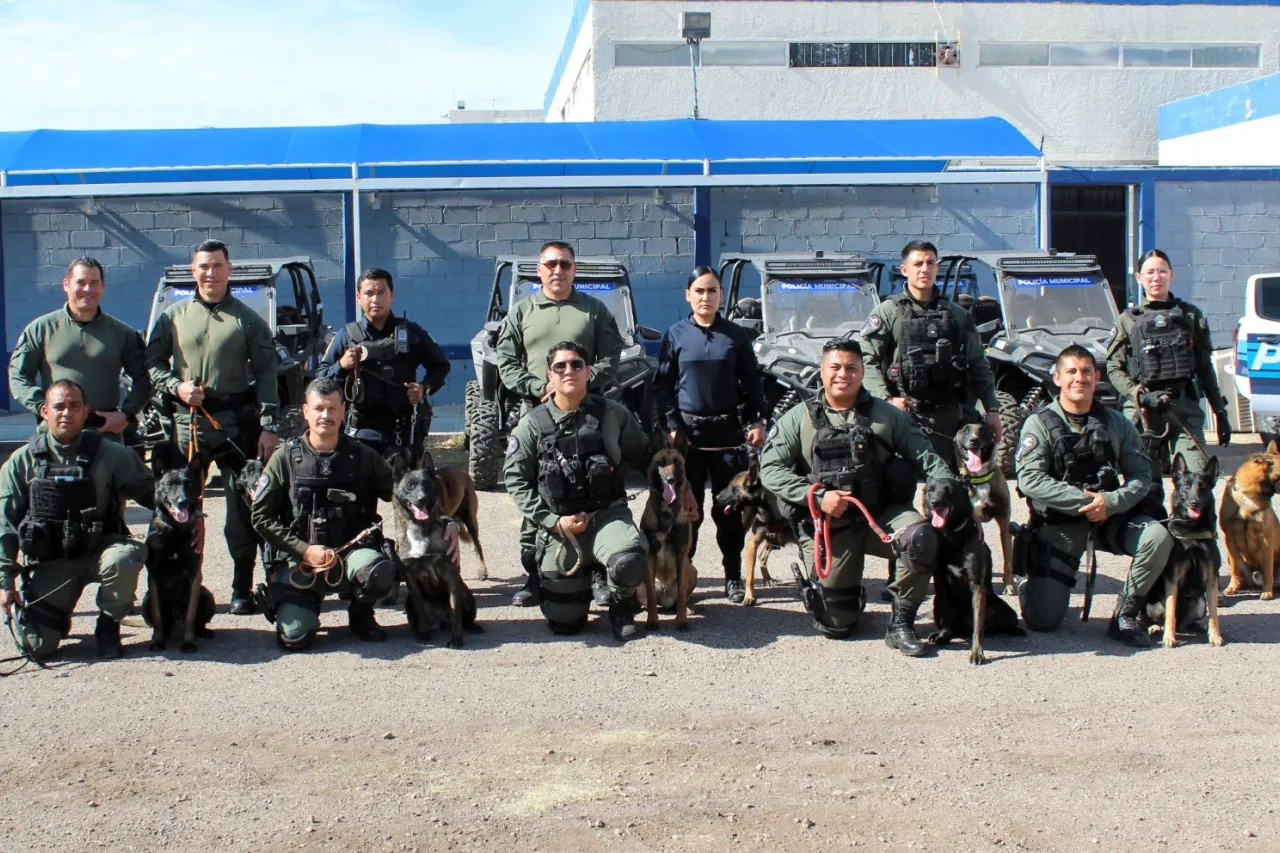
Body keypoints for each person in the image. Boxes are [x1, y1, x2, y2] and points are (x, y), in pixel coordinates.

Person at [759, 338, 951, 656]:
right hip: (829, 524)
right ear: (822, 371)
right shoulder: (797, 418)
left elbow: (927, 459)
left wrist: (954, 499)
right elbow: (771, 470)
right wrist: (816, 497)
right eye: (835, 367)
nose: (843, 374)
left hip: (882, 515)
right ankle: (843, 594)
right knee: (837, 625)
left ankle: (901, 624)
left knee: (920, 538)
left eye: (851, 368)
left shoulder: (887, 415)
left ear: (862, 372)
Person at [145, 239, 280, 615]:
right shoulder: (172, 317)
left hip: (234, 426)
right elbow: (152, 363)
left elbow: (267, 374)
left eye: (217, 265)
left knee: (241, 510)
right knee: (180, 507)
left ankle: (241, 587)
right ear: (193, 271)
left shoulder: (248, 320)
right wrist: (176, 387)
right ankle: (184, 590)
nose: (210, 273)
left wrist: (268, 425)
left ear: (228, 269)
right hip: (187, 427)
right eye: (203, 266)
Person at [495, 241, 626, 608]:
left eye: (565, 264)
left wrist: (578, 382)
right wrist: (539, 387)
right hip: (538, 416)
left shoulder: (594, 310)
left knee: (592, 486)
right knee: (540, 488)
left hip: (586, 415)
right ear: (539, 270)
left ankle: (597, 572)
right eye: (551, 264)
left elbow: (611, 356)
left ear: (574, 269)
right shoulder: (521, 311)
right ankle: (535, 574)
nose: (558, 270)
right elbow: (506, 361)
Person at [1015, 344, 1173, 646]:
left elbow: (1141, 477)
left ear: (1097, 376)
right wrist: (1088, 502)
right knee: (1043, 621)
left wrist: (1111, 502)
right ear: (1057, 377)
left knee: (1156, 536)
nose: (1080, 378)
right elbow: (1030, 479)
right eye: (1071, 371)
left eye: (1087, 371)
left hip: (1108, 517)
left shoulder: (1117, 422)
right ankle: (1028, 583)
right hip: (1061, 523)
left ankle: (1126, 613)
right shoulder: (1039, 423)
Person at [503, 341, 650, 641]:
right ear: (550, 375)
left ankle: (621, 605)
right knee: (564, 623)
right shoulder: (531, 425)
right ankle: (583, 581)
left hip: (607, 516)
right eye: (560, 366)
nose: (568, 370)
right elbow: (516, 481)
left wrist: (679, 493)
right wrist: (552, 522)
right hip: (561, 526)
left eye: (576, 364)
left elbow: (646, 457)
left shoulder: (615, 414)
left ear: (588, 372)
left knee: (628, 560)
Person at [0, 380, 154, 659]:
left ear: (86, 411)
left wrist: (190, 515)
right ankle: (55, 618)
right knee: (35, 646)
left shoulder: (112, 454)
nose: (66, 413)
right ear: (45, 411)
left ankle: (108, 624)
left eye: (74, 406)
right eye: (59, 406)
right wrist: (5, 582)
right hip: (54, 562)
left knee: (124, 558)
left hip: (102, 551)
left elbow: (156, 495)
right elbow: (5, 524)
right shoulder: (22, 461)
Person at [249, 377, 396, 651]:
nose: (325, 415)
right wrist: (304, 550)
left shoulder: (362, 455)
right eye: (318, 408)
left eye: (332, 408)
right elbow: (260, 517)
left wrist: (446, 520)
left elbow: (403, 494)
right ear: (305, 411)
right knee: (295, 638)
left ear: (343, 411)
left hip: (351, 554)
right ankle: (306, 603)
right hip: (300, 560)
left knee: (378, 571)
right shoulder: (284, 458)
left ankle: (360, 612)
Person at [654, 266, 767, 603]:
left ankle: (732, 576)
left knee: (727, 512)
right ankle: (683, 575)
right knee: (688, 513)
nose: (706, 297)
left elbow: (753, 383)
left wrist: (757, 421)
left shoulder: (736, 335)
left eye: (712, 290)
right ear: (688, 295)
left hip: (727, 437)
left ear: (721, 295)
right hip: (688, 439)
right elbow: (662, 387)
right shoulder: (675, 335)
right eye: (699, 291)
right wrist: (672, 426)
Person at [859, 240, 1002, 467]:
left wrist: (992, 409)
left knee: (952, 483)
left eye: (930, 263)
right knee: (899, 480)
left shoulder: (957, 315)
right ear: (904, 270)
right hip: (902, 416)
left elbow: (978, 364)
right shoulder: (888, 312)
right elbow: (867, 360)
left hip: (950, 419)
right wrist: (886, 400)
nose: (925, 269)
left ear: (937, 267)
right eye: (918, 264)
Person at [1105, 248, 1230, 503]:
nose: (1156, 277)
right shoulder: (1127, 320)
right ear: (1139, 277)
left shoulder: (1190, 316)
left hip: (1183, 411)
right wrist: (1140, 396)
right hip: (1143, 415)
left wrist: (1220, 412)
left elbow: (1205, 367)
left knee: (1197, 486)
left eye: (1162, 271)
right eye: (1150, 272)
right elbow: (1113, 368)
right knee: (1144, 490)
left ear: (1171, 274)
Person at [9, 256, 149, 441]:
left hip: (105, 433)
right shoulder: (41, 329)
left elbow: (146, 378)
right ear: (66, 285)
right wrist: (43, 406)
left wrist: (126, 414)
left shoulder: (122, 333)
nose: (88, 289)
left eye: (94, 283)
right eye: (80, 282)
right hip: (56, 434)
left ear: (103, 287)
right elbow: (18, 376)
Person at [317, 268, 450, 461]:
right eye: (369, 293)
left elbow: (441, 366)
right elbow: (320, 380)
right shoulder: (346, 337)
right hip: (360, 433)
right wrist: (342, 365)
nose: (375, 299)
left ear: (392, 295)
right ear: (358, 297)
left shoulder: (411, 333)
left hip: (402, 433)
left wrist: (424, 388)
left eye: (381, 292)